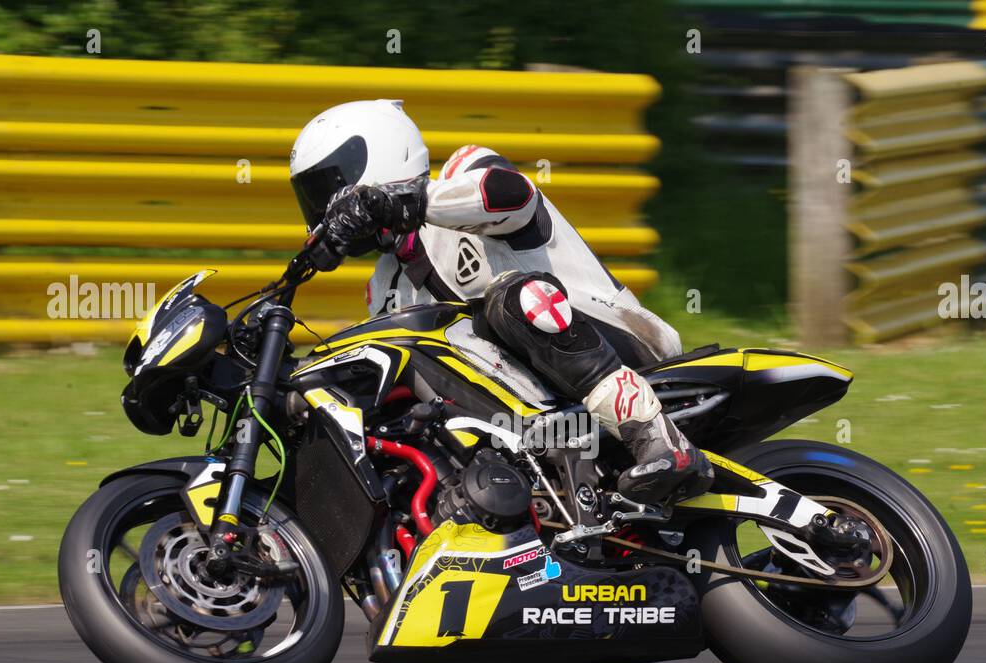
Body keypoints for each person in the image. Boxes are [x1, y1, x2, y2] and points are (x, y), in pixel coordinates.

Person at [288, 99, 713, 504]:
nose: (326, 208)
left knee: (512, 300)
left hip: (625, 344)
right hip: (537, 408)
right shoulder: (383, 287)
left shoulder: (468, 175)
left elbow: (514, 195)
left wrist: (393, 203)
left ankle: (658, 438)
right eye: (313, 195)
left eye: (330, 187)